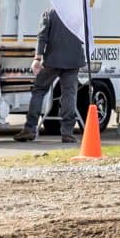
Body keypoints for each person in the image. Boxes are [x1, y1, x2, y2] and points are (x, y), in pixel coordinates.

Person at [22, 8, 86, 143]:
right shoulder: (78, 13)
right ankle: (67, 132)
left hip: (52, 60)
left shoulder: (49, 13)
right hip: (73, 60)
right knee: (69, 94)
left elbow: (42, 36)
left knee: (39, 90)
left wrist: (38, 58)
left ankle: (30, 128)